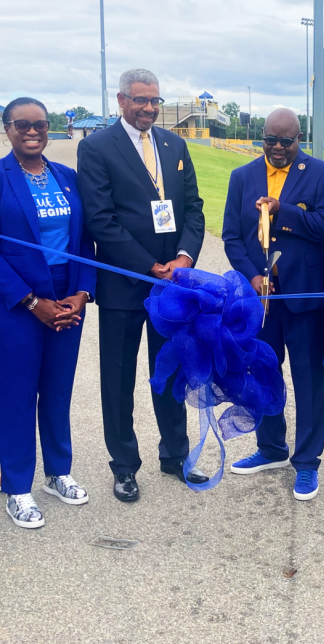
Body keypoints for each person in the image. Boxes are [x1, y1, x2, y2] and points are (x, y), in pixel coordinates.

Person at [0, 97, 97, 529]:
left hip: (66, 299)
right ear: (7, 128)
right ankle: (18, 488)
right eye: (22, 124)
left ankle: (57, 472)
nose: (32, 131)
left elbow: (83, 243)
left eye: (40, 124)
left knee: (57, 391)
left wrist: (81, 292)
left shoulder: (66, 177)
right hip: (16, 305)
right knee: (19, 397)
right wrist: (31, 302)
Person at [77, 69, 206, 503]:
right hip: (124, 287)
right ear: (121, 100)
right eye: (140, 100)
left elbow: (193, 208)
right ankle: (124, 466)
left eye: (155, 101)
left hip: (172, 286)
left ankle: (175, 456)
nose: (149, 108)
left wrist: (184, 259)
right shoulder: (96, 148)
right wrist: (150, 265)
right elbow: (101, 221)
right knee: (118, 378)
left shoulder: (174, 145)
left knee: (170, 371)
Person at [222, 108, 324, 501]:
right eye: (270, 139)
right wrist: (253, 276)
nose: (276, 148)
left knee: (309, 382)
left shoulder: (321, 174)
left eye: (285, 141)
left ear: (299, 138)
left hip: (304, 297)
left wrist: (282, 212)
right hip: (261, 299)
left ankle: (306, 464)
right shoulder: (242, 177)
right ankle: (271, 448)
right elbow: (231, 238)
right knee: (262, 375)